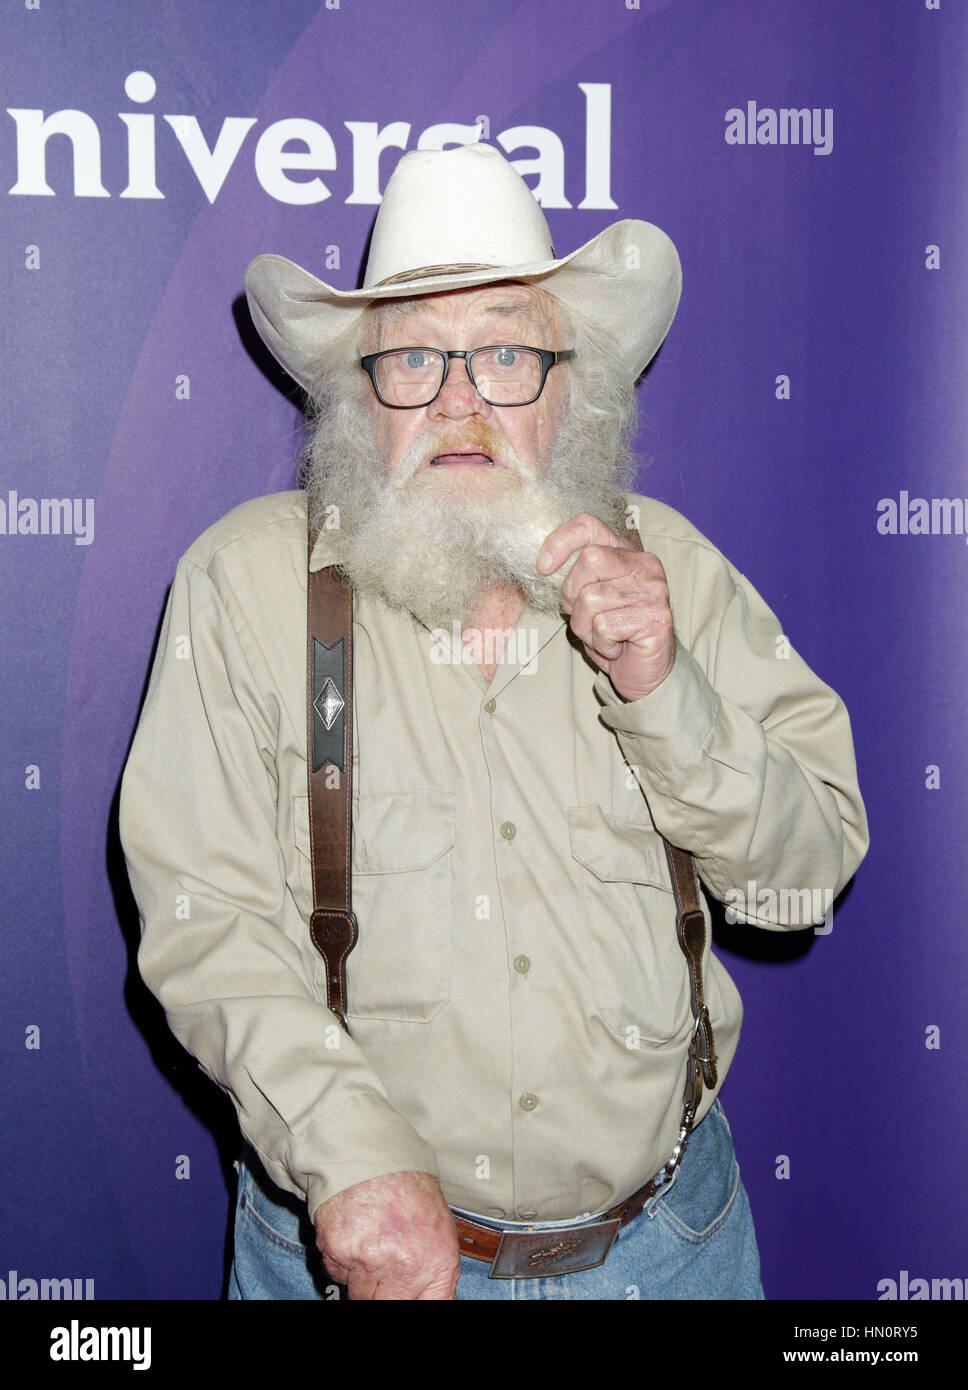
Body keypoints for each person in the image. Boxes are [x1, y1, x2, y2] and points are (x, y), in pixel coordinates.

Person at [119, 142, 868, 1301]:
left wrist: (664, 689)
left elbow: (807, 874)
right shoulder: (242, 586)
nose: (460, 401)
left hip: (667, 1256)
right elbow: (200, 916)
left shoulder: (675, 572)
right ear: (358, 400)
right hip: (356, 1260)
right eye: (413, 357)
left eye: (506, 353)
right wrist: (354, 1161)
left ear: (571, 389)